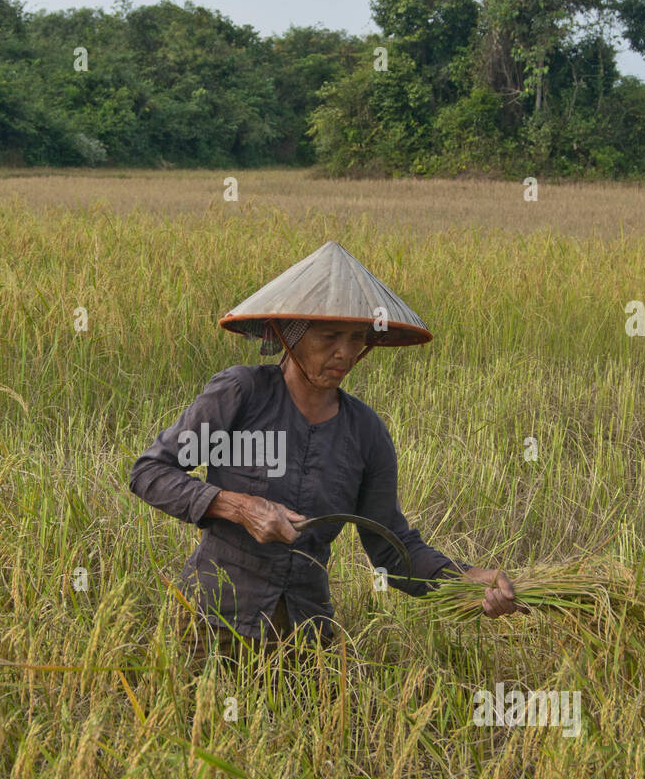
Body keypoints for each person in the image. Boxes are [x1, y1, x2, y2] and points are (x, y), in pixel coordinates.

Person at [129, 241, 518, 654]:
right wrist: (241, 507)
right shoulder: (242, 394)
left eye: (356, 339)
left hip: (306, 637)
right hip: (214, 621)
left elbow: (391, 549)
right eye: (330, 336)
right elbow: (151, 472)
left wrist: (467, 579)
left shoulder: (365, 433)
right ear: (291, 334)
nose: (345, 353)